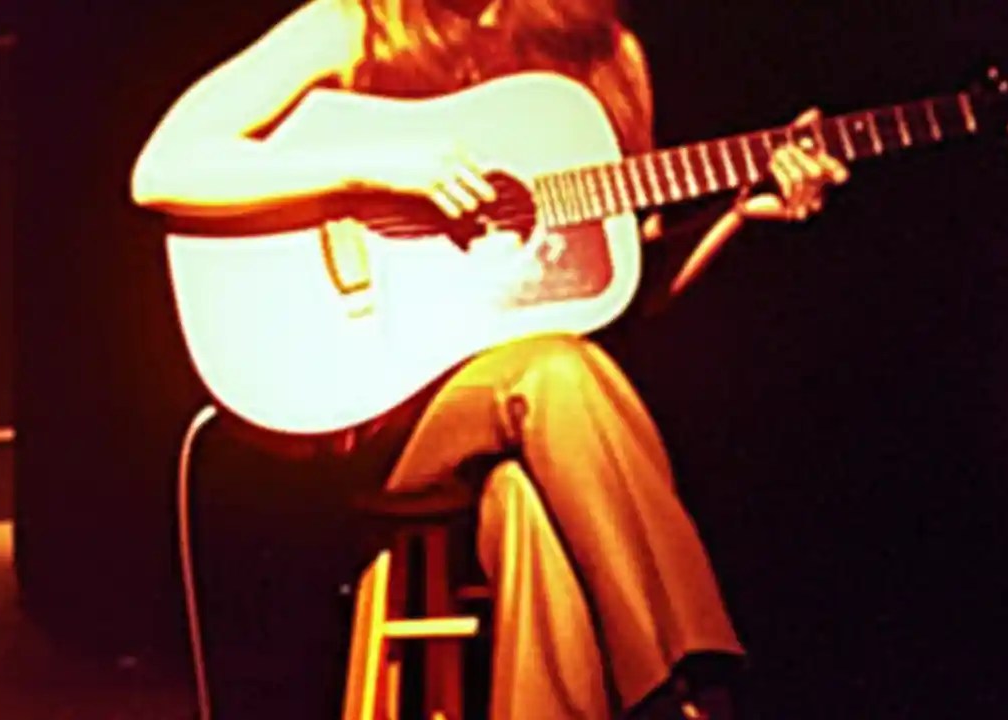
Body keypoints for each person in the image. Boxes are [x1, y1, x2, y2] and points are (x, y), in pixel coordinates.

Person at [130, 0, 848, 717]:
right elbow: (163, 168)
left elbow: (628, 283)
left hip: (553, 424)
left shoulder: (600, 52)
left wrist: (732, 214)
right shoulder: (358, 24)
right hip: (378, 409)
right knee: (557, 370)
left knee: (527, 503)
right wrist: (376, 169)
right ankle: (695, 697)